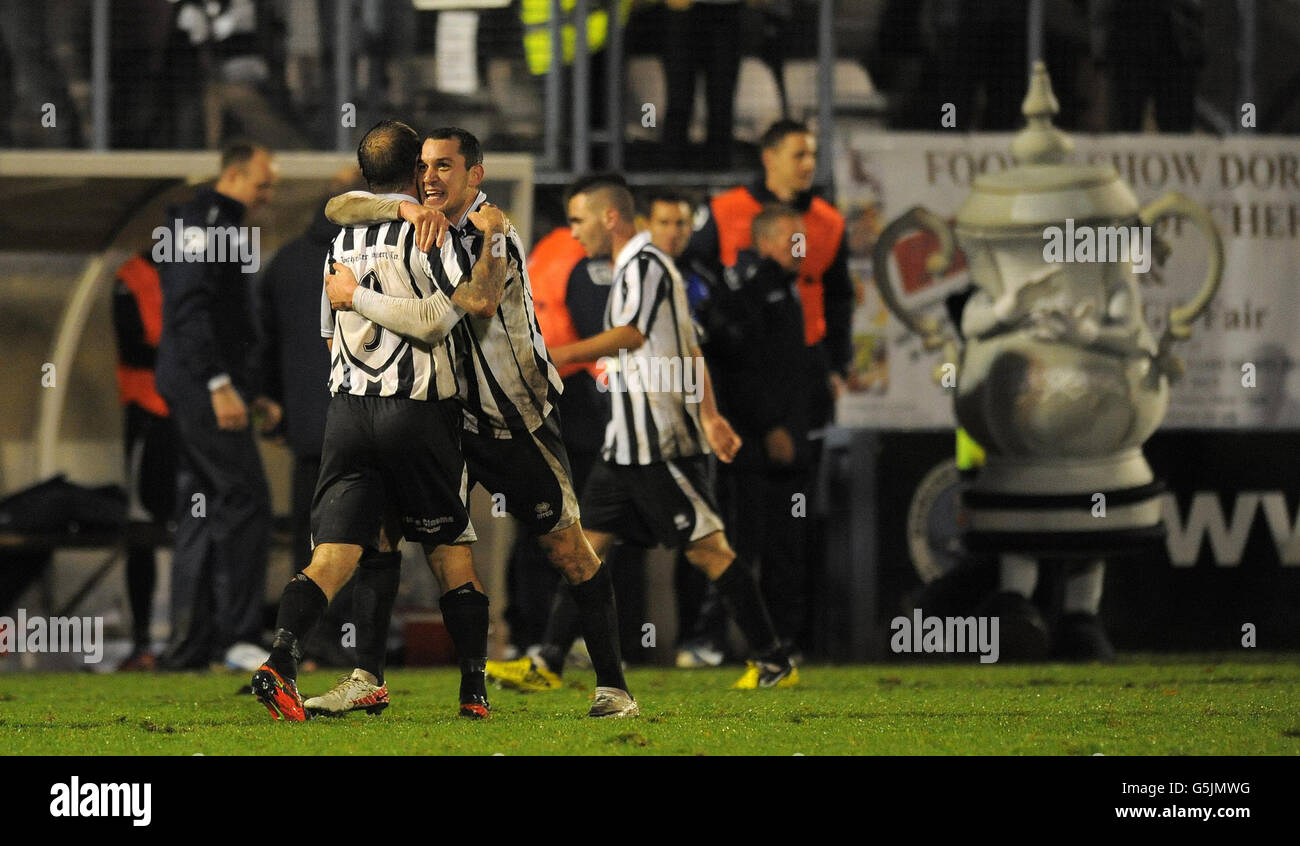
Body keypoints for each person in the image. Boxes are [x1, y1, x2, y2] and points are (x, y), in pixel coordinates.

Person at [313, 127, 638, 718]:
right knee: (390, 539)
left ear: (475, 176)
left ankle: (614, 685)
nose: (432, 176)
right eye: (425, 167)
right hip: (444, 422)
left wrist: (359, 294)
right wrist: (406, 205)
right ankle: (375, 678)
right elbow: (338, 205)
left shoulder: (495, 231)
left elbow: (482, 303)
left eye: (445, 167)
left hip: (515, 421)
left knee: (568, 550)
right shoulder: (415, 221)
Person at [490, 173, 798, 690]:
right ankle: (546, 663)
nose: (574, 231)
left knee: (708, 549)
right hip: (625, 445)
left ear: (609, 217)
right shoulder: (639, 267)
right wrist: (713, 414)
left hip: (658, 443)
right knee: (583, 547)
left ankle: (773, 661)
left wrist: (555, 356)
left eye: (578, 219)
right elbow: (689, 347)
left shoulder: (645, 264)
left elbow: (631, 336)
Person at [249, 120, 489, 721]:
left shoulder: (337, 245)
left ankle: (282, 660)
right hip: (419, 409)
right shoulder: (435, 233)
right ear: (416, 172)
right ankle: (474, 692)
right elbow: (443, 318)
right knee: (448, 551)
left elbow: (331, 340)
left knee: (338, 551)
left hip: (349, 411)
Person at [685, 120, 851, 653]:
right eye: (800, 153)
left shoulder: (826, 220)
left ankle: (786, 638)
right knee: (735, 528)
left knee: (793, 526)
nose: (809, 164)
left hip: (800, 387)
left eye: (813, 154)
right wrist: (712, 327)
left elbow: (839, 293)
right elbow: (696, 279)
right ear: (770, 156)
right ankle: (713, 638)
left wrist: (833, 363)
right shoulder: (728, 211)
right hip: (744, 394)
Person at [154, 141, 281, 671]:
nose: (268, 194)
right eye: (263, 182)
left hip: (200, 384)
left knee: (201, 510)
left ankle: (190, 643)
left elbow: (224, 317)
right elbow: (190, 309)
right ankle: (239, 637)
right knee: (247, 499)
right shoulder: (206, 221)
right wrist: (218, 383)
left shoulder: (213, 222)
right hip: (200, 386)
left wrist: (249, 392)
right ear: (233, 175)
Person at [257, 189, 354, 668]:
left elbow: (264, 339)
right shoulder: (365, 256)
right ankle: (351, 642)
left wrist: (274, 404)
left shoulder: (285, 262)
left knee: (308, 539)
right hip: (360, 423)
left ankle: (300, 643)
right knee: (362, 536)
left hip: (305, 428)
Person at [111, 251, 177, 671]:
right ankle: (142, 642)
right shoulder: (131, 276)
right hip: (147, 414)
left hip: (187, 416)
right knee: (143, 528)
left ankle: (196, 635)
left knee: (196, 526)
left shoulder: (200, 268)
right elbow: (134, 346)